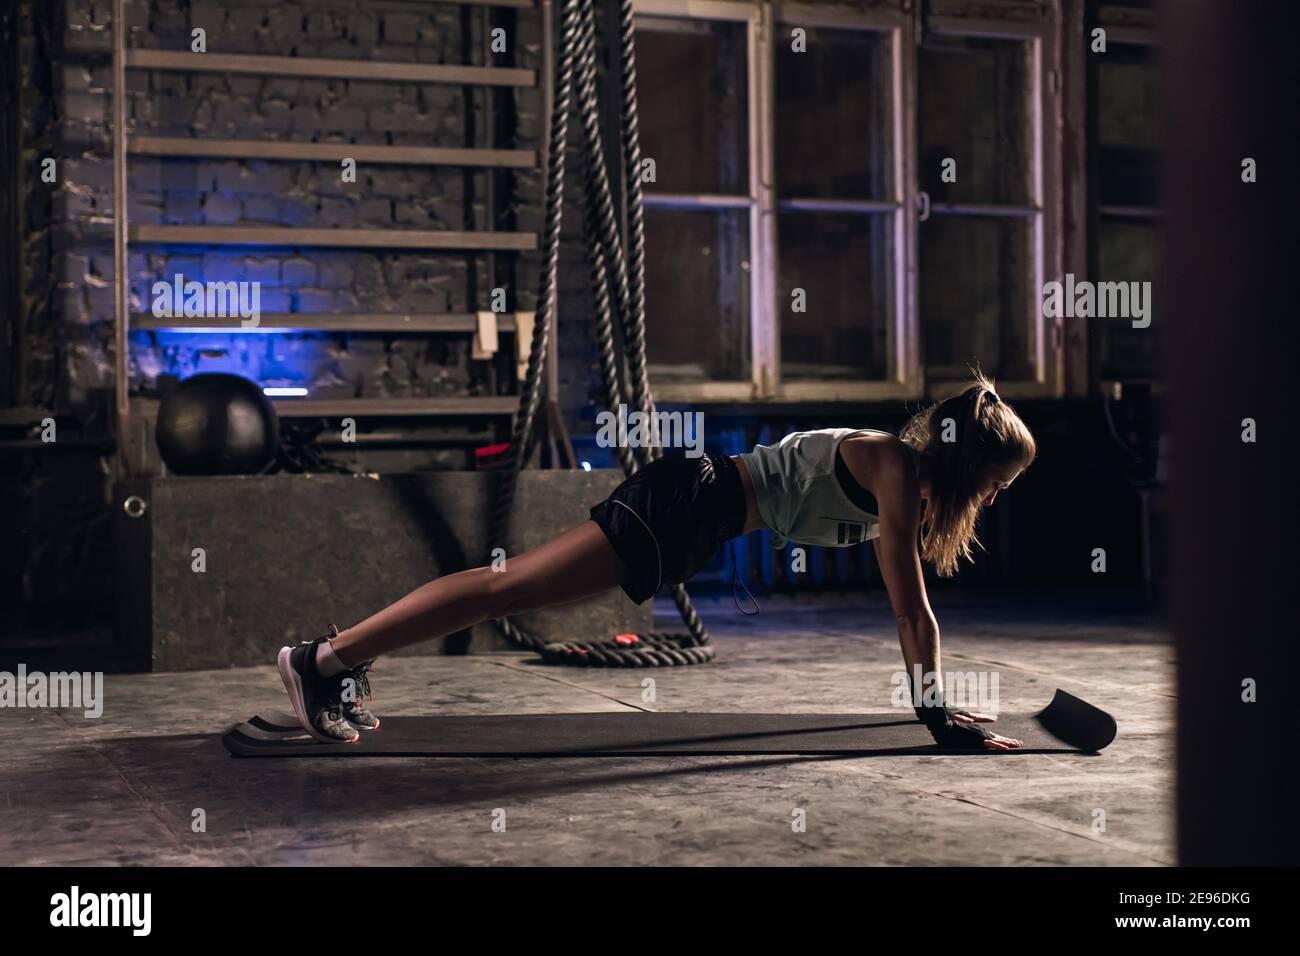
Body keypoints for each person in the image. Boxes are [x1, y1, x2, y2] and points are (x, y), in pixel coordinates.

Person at [277, 374, 1035, 750]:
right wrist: (935, 715)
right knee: (507, 590)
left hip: (694, 516)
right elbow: (909, 607)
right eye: (998, 486)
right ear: (969, 467)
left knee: (508, 591)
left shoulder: (904, 478)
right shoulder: (895, 471)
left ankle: (337, 658)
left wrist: (936, 703)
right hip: (687, 500)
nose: (995, 501)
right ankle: (326, 659)